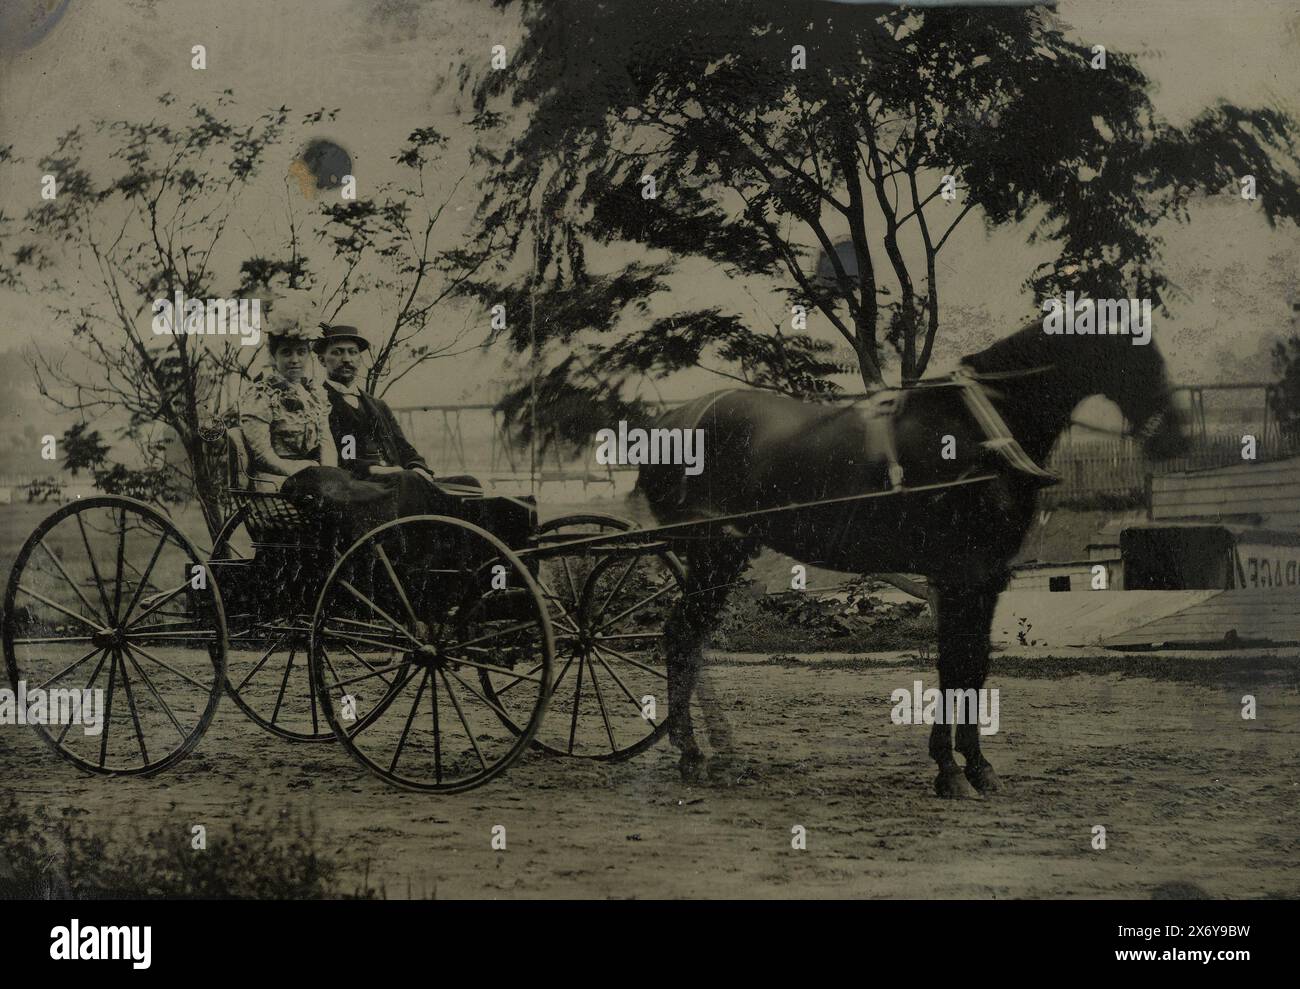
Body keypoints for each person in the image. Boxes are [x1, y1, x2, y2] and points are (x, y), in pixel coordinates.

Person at [240, 306, 400, 543]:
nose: (295, 360)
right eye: (286, 353)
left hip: (317, 481)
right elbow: (263, 456)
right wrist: (307, 472)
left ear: (308, 355)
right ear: (273, 357)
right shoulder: (260, 395)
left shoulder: (314, 394)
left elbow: (327, 443)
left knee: (367, 494)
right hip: (277, 484)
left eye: (301, 352)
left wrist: (329, 474)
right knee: (346, 499)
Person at [314, 322, 484, 518]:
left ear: (360, 359)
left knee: (469, 483)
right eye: (337, 352)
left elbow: (403, 447)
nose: (346, 359)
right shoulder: (322, 401)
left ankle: (469, 545)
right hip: (365, 485)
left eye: (352, 352)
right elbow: (347, 458)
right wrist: (381, 470)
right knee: (409, 481)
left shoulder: (377, 405)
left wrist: (418, 468)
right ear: (322, 360)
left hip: (401, 478)